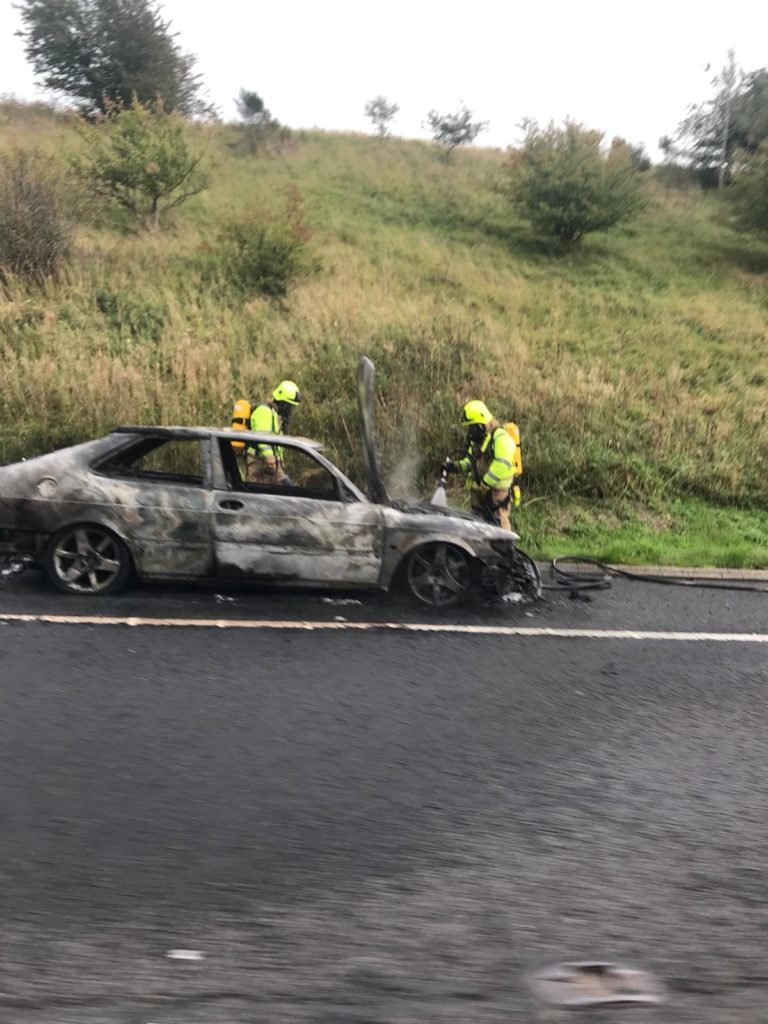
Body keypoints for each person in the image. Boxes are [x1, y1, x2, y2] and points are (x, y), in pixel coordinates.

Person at [445, 400, 517, 531]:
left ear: (481, 423)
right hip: (479, 493)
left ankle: (504, 544)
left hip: (496, 494)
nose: (470, 431)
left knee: (498, 523)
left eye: (472, 427)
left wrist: (484, 484)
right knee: (476, 523)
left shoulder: (501, 438)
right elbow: (471, 462)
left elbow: (501, 464)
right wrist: (454, 467)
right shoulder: (480, 441)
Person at [246, 380, 302, 484]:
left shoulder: (274, 414)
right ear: (283, 403)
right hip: (259, 463)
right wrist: (270, 460)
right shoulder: (264, 411)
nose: (290, 410)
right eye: (290, 406)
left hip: (271, 465)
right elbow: (263, 439)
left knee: (287, 488)